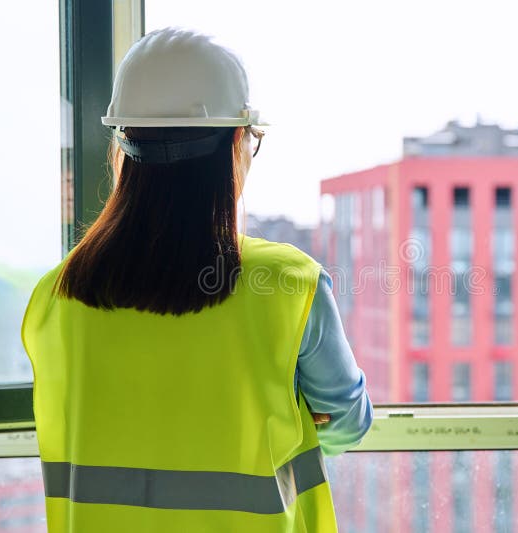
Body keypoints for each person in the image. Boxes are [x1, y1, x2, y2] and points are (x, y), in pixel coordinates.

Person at [21, 27, 372, 533]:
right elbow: (347, 424)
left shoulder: (55, 295)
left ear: (122, 144)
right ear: (237, 140)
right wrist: (290, 408)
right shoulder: (288, 286)